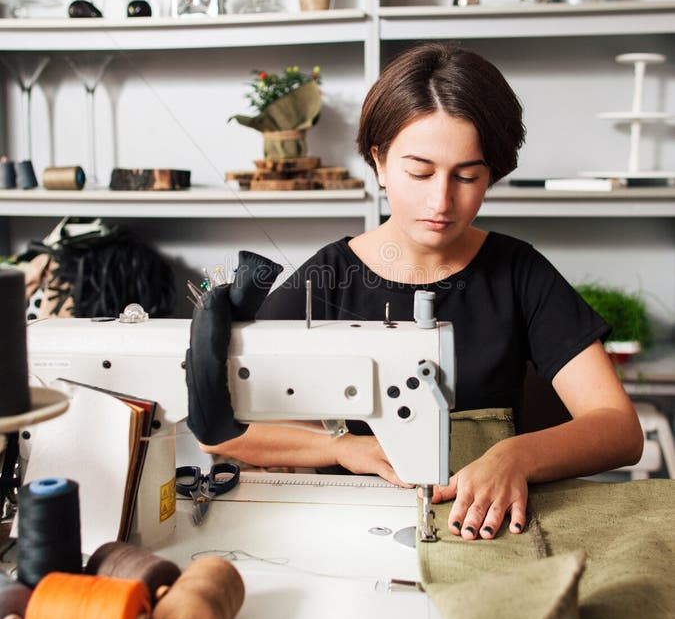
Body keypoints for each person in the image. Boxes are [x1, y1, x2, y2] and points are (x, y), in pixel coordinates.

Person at [200, 42, 643, 540]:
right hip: (351, 528)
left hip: (485, 529)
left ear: (491, 175)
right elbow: (222, 429)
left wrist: (515, 455)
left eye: (468, 176)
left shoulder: (520, 272)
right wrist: (344, 449)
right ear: (381, 162)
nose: (441, 200)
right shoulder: (327, 279)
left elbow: (620, 430)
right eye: (420, 172)